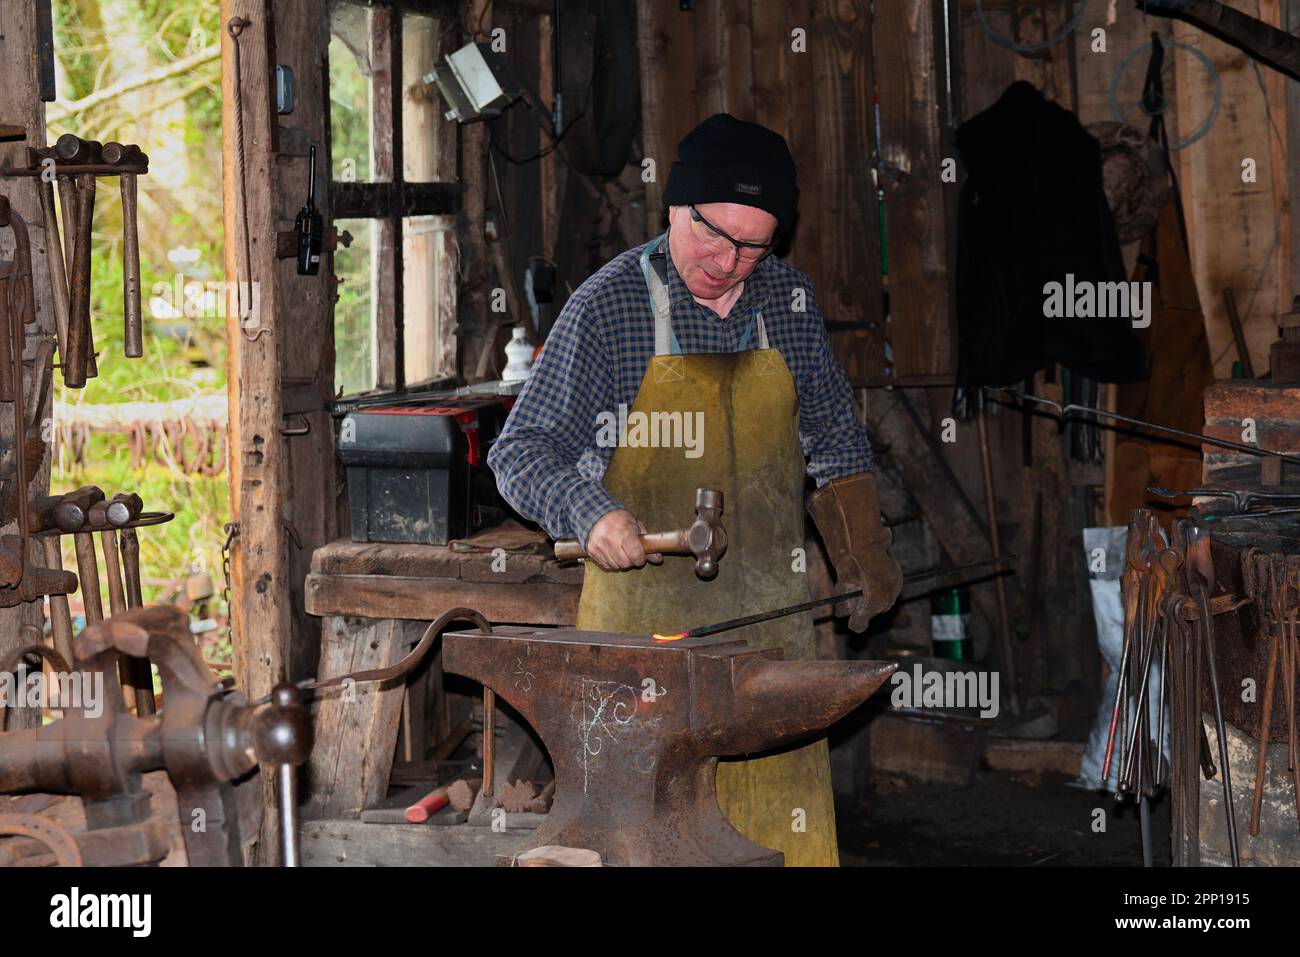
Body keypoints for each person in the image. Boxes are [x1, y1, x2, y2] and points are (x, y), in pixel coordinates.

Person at [488, 113, 901, 866]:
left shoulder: (789, 302)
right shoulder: (608, 307)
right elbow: (520, 451)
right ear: (675, 207)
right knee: (651, 840)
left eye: (754, 245)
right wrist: (592, 509)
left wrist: (862, 550)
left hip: (768, 637)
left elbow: (836, 439)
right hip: (645, 645)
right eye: (712, 234)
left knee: (780, 834)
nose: (728, 260)